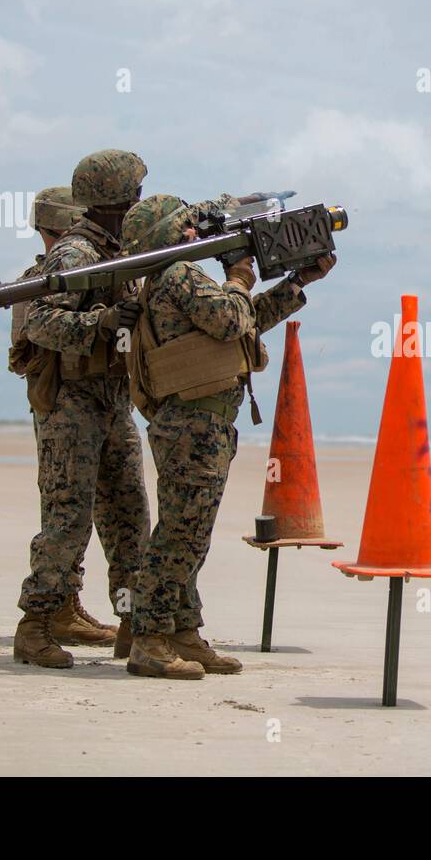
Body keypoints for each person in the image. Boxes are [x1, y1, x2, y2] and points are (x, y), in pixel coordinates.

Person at [119, 194, 334, 679]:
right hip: (192, 424)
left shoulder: (172, 278)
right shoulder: (176, 275)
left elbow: (243, 323)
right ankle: (149, 637)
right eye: (186, 228)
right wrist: (239, 274)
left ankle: (183, 631)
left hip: (203, 422)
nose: (196, 233)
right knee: (179, 534)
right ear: (171, 236)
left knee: (191, 534)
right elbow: (233, 316)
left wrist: (297, 281)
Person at [11, 152, 151, 669]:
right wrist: (103, 320)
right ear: (115, 198)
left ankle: (133, 624)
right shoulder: (75, 253)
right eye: (132, 193)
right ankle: (37, 625)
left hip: (113, 400)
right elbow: (40, 323)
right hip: (71, 403)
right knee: (68, 521)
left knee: (129, 520)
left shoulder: (120, 249)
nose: (137, 200)